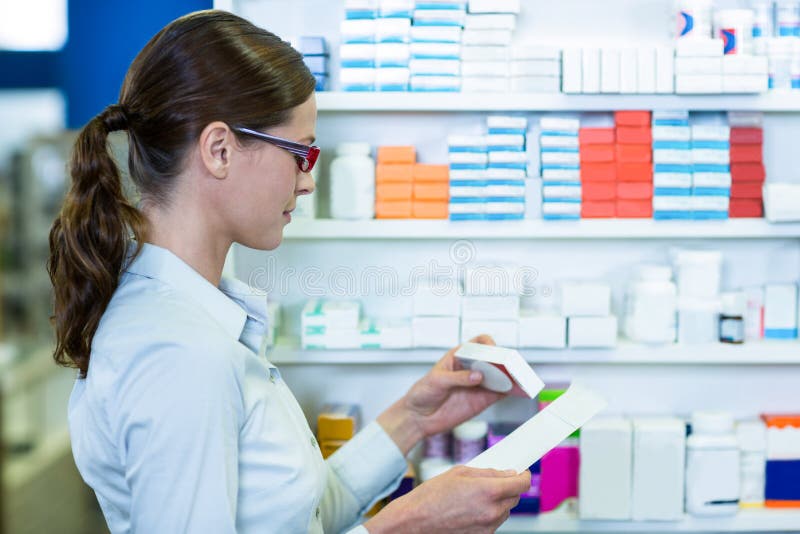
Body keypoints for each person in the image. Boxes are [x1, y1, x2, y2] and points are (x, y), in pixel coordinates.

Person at [47, 10, 530, 534]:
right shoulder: (180, 355)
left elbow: (299, 514)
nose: (308, 181)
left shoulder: (190, 318)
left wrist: (415, 417)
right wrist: (409, 524)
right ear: (219, 150)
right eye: (301, 152)